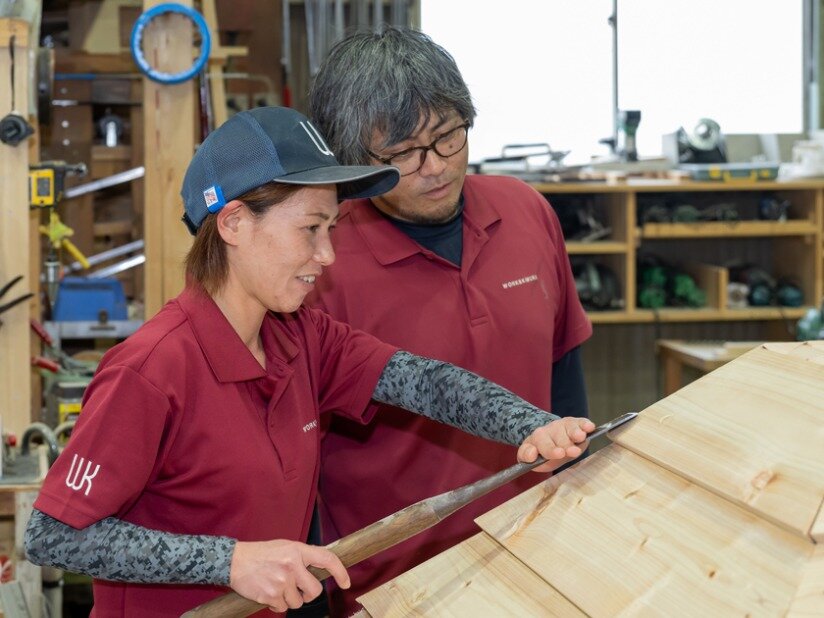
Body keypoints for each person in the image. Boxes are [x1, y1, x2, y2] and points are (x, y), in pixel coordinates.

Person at [23, 106, 594, 617]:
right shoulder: (152, 369)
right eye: (310, 230)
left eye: (332, 229)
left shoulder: (299, 337)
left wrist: (531, 426)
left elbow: (422, 381)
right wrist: (230, 562)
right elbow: (53, 536)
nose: (327, 255)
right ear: (234, 223)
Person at [306, 27, 593, 615]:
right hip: (392, 585)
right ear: (355, 158)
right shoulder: (321, 263)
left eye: (447, 137)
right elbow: (293, 453)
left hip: (537, 554)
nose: (434, 167)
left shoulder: (526, 211)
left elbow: (564, 373)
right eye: (401, 153)